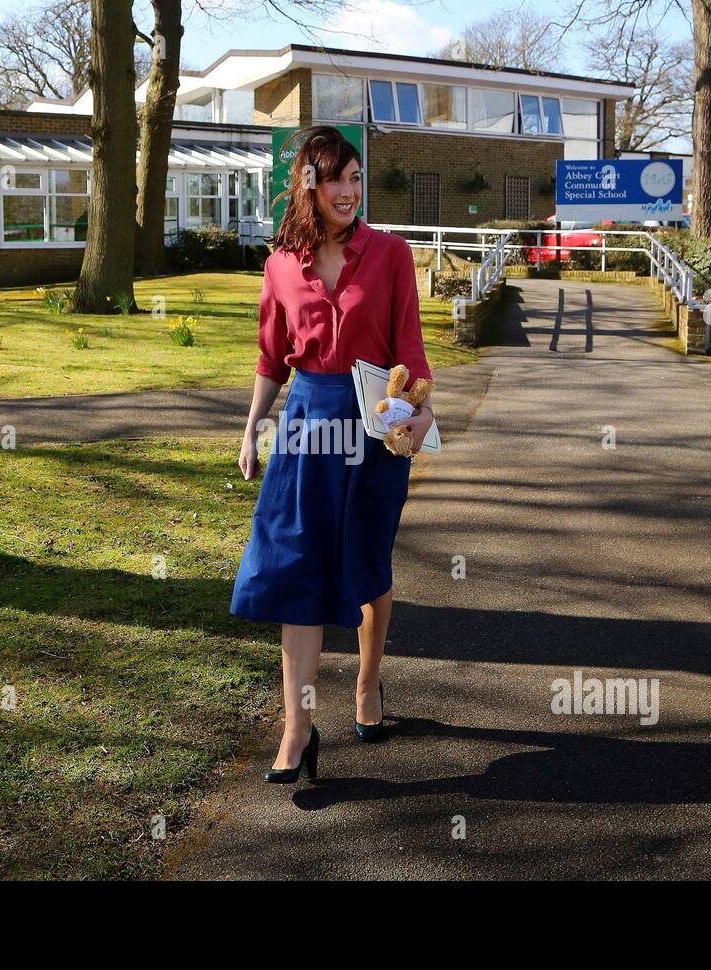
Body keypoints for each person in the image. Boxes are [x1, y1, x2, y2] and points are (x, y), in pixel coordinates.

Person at [229, 125, 436, 784]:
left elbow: (411, 348)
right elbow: (270, 356)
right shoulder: (279, 267)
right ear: (309, 186)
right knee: (295, 571)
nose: (349, 191)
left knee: (367, 566)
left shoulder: (393, 254)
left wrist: (422, 410)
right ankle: (296, 727)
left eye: (356, 178)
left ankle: (368, 689)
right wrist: (251, 427)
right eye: (336, 179)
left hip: (376, 424)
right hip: (306, 428)